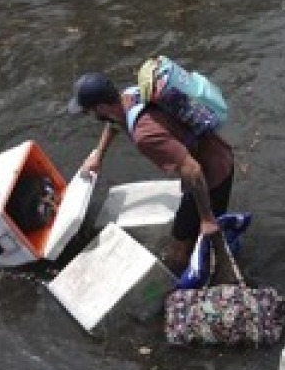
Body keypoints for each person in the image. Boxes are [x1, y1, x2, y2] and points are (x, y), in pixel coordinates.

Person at [68, 71, 234, 272]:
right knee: (187, 236)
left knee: (180, 252)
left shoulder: (145, 134)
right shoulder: (130, 96)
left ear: (102, 108)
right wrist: (98, 156)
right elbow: (114, 124)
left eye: (88, 111)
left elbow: (193, 169)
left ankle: (211, 272)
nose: (90, 116)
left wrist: (207, 218)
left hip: (212, 173)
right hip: (213, 154)